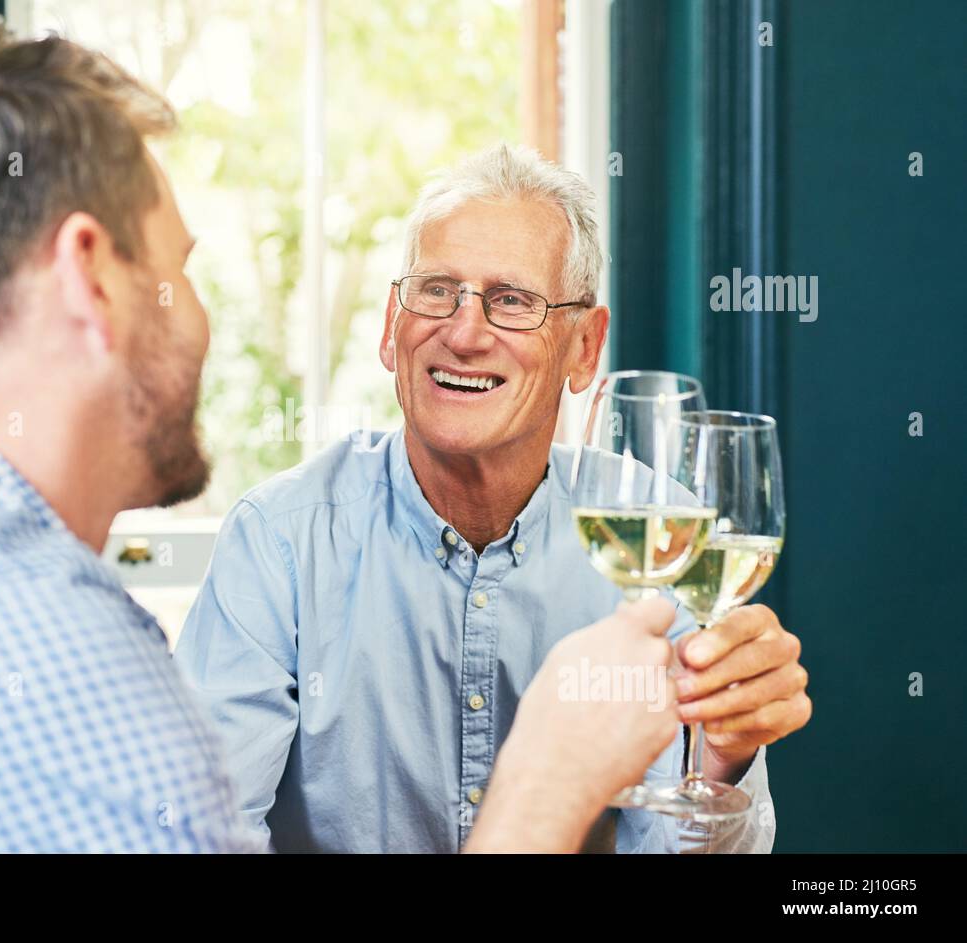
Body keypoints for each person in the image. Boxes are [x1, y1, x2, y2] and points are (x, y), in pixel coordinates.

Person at [0, 20, 684, 854]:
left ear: (581, 344)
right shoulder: (56, 679)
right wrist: (543, 790)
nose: (201, 316)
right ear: (89, 278)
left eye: (508, 301)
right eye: (181, 264)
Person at [174, 144, 812, 853]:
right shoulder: (278, 542)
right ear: (392, 325)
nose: (464, 331)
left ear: (584, 348)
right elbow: (196, 837)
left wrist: (720, 754)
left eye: (512, 300)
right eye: (437, 289)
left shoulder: (655, 538)